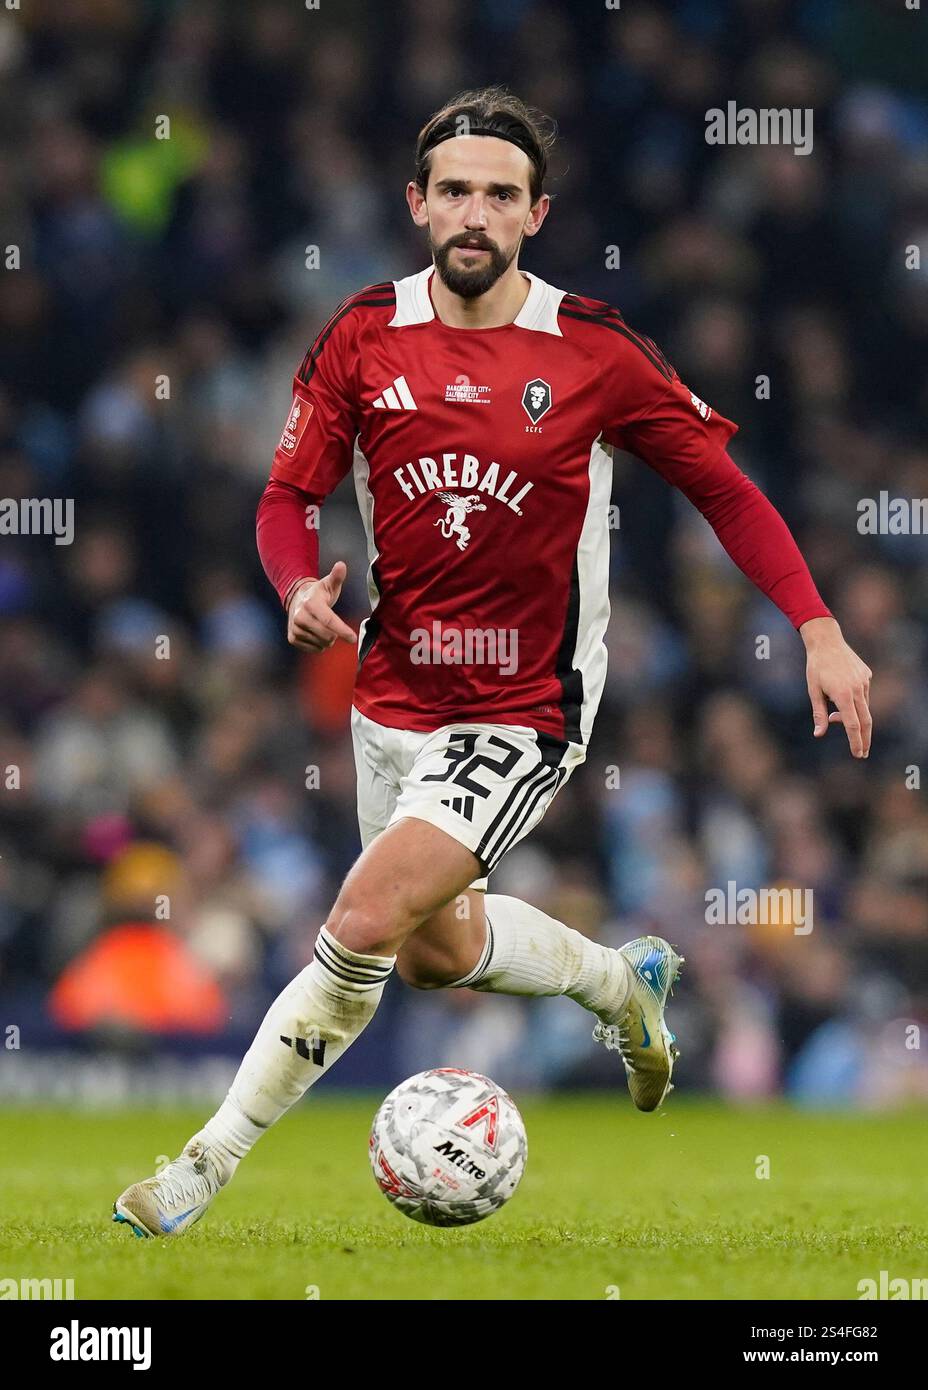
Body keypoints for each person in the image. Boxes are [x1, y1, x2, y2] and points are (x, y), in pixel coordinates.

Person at [114, 87, 872, 1238]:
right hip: (392, 696)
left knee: (362, 916)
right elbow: (286, 497)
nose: (476, 212)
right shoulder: (362, 336)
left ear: (536, 214)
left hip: (525, 705)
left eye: (501, 195)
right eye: (456, 190)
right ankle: (622, 985)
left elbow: (721, 486)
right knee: (434, 953)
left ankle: (200, 1167)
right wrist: (294, 584)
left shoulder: (595, 352)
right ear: (417, 203)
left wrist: (815, 624)